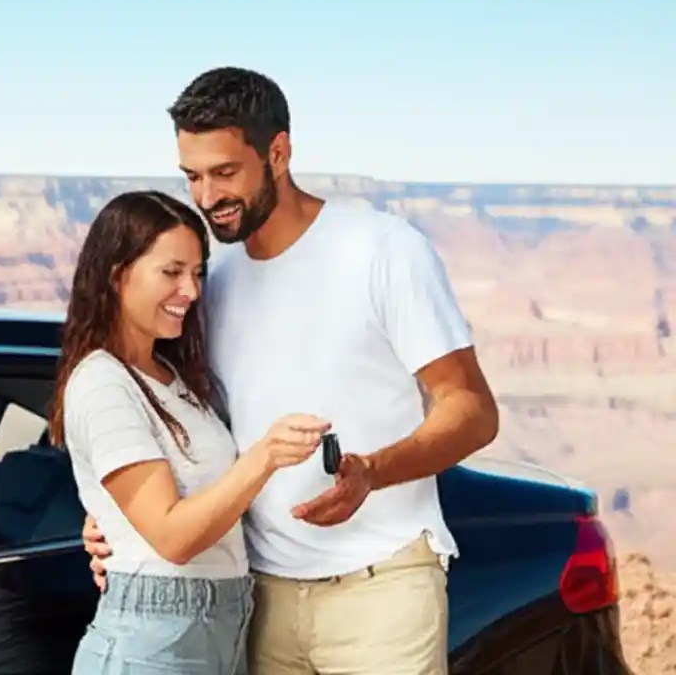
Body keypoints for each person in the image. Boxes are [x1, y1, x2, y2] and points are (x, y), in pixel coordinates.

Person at [81, 67, 501, 674]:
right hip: (261, 601)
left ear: (277, 152)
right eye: (192, 176)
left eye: (225, 172)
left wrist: (371, 473)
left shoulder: (382, 249)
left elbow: (472, 409)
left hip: (380, 587)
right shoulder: (210, 285)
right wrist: (117, 517)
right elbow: (162, 425)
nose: (206, 197)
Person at [49, 189, 333, 673]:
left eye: (198, 273)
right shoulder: (102, 383)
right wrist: (263, 458)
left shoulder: (172, 376)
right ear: (118, 275)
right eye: (172, 272)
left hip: (219, 631)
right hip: (154, 645)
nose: (193, 291)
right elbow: (173, 539)